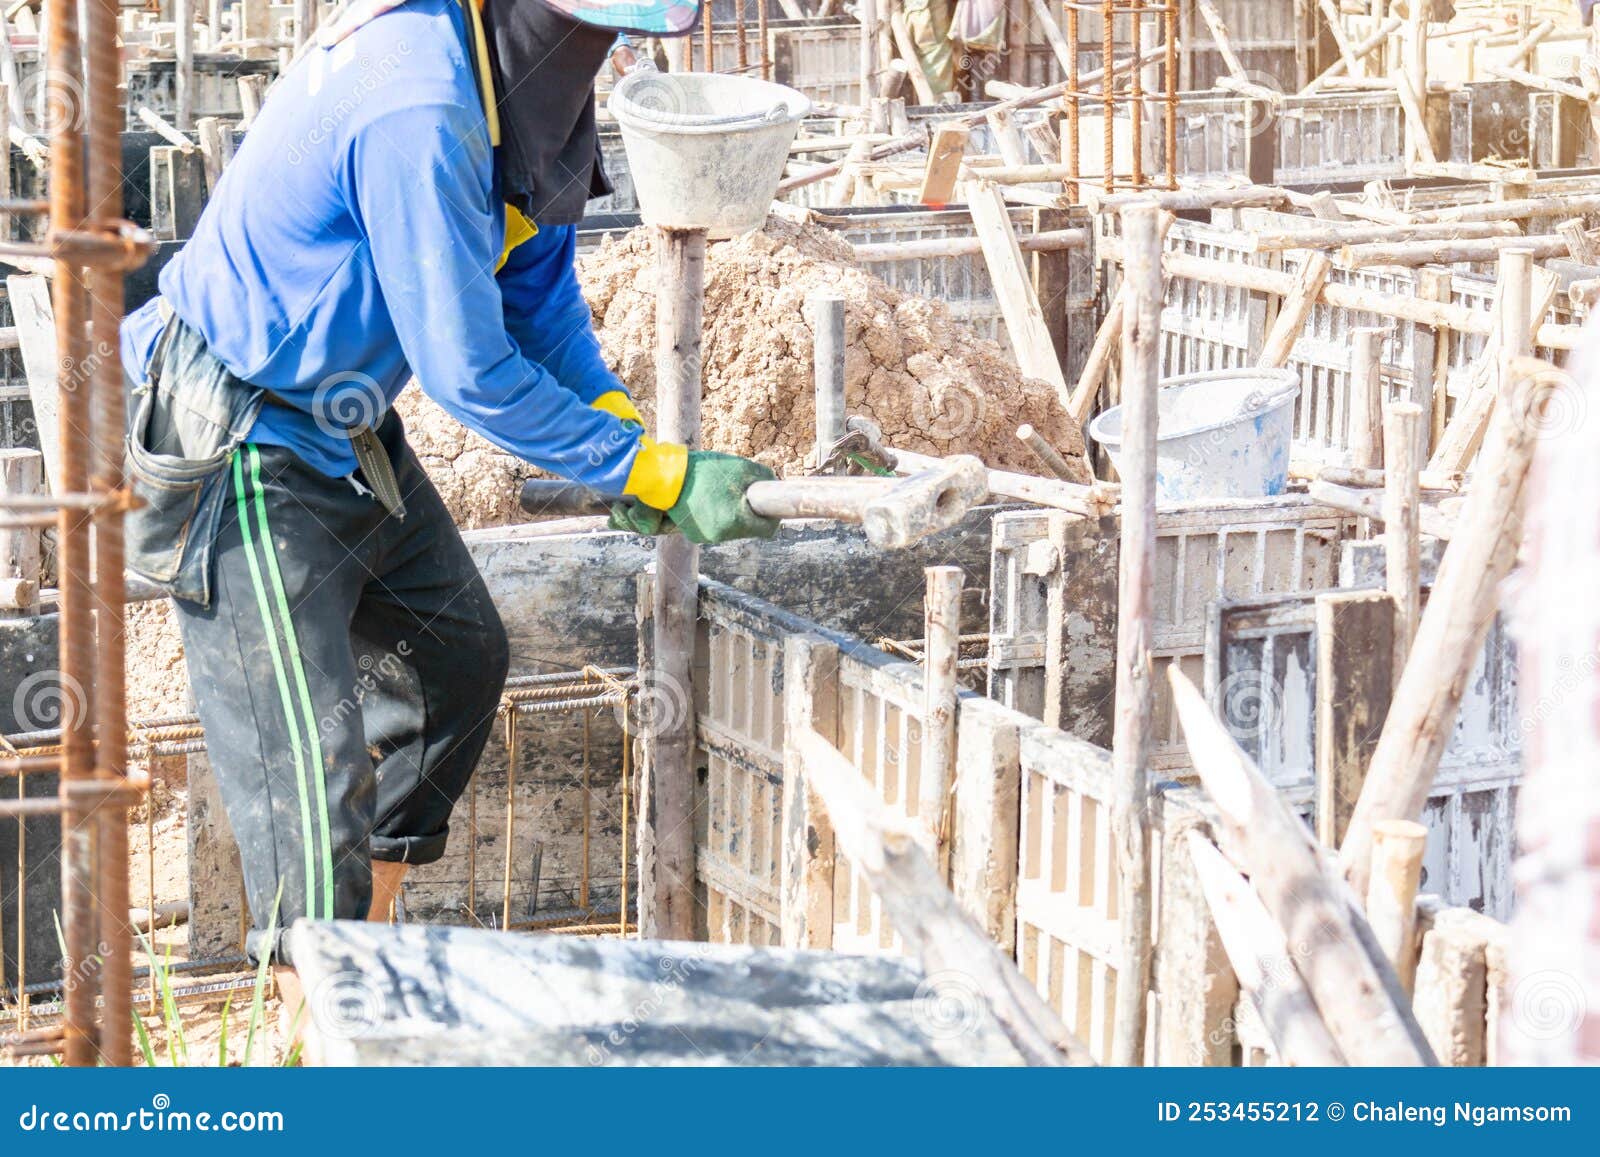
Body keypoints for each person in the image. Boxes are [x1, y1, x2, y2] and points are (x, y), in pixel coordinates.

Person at [118, 0, 770, 978]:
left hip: (340, 423)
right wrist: (651, 472)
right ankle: (311, 1050)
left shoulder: (524, 104)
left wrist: (624, 435)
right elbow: (466, 368)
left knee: (452, 662)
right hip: (242, 434)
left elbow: (536, 301)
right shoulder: (417, 102)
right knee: (309, 780)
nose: (603, 54)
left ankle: (362, 964)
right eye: (591, 31)